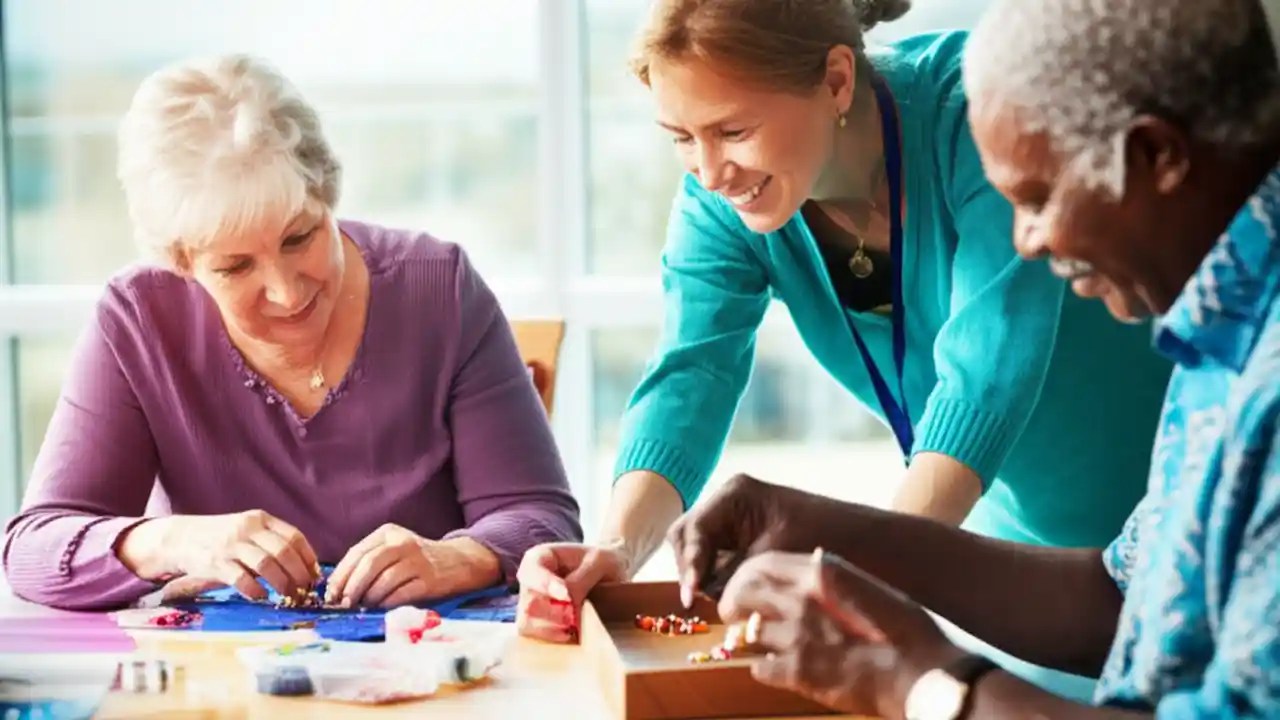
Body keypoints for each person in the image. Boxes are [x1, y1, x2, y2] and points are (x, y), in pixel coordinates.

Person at [518, 0, 1169, 697]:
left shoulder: (979, 114)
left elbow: (985, 380)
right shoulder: (724, 201)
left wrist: (852, 584)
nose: (708, 171)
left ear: (835, 80)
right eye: (680, 137)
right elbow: (690, 374)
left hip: (1176, 516)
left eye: (732, 130)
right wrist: (619, 547)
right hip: (1025, 579)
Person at [665, 0, 1280, 717]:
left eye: (1039, 198)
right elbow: (1119, 601)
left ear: (1155, 156)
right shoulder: (1215, 342)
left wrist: (917, 680)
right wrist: (833, 531)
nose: (1026, 242)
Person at [2, 55, 582, 611]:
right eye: (234, 267)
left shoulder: (442, 290)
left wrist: (461, 556)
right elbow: (32, 551)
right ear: (181, 261)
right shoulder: (138, 321)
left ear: (325, 194)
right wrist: (173, 542)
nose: (286, 290)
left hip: (431, 669)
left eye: (299, 237)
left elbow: (541, 517)